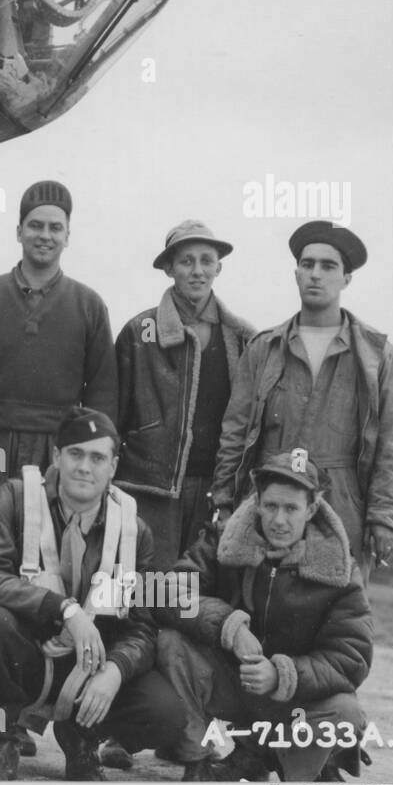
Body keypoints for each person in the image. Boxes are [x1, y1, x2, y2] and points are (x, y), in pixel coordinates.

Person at [0, 180, 118, 752]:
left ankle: (21, 712)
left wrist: (91, 462)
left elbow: (104, 395)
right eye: (34, 224)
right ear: (18, 231)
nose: (44, 235)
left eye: (55, 226)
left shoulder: (88, 305)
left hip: (55, 448)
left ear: (67, 234)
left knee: (48, 578)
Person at [0, 407, 183, 781]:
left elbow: (141, 626)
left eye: (97, 458)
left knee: (166, 713)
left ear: (113, 467)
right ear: (56, 456)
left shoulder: (133, 530)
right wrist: (63, 610)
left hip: (89, 669)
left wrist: (115, 670)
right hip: (29, 654)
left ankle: (82, 737)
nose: (85, 467)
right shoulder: (16, 499)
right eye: (75, 454)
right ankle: (0, 735)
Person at [154, 450, 374, 782]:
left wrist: (282, 674)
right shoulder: (225, 538)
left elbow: (351, 655)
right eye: (271, 506)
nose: (279, 520)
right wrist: (228, 624)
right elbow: (169, 591)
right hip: (236, 684)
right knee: (171, 643)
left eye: (291, 508)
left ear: (312, 509)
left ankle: (301, 766)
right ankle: (198, 758)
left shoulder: (339, 566)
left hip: (292, 700)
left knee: (346, 711)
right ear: (257, 501)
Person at [212, 221, 393, 583]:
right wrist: (223, 499)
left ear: (347, 278)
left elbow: (390, 444)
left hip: (343, 498)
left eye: (328, 266)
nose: (315, 274)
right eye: (307, 264)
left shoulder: (376, 355)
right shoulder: (265, 347)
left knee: (341, 611)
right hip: (271, 496)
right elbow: (235, 431)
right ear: (295, 273)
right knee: (262, 607)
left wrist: (384, 517)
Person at [115, 220, 255, 567]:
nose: (197, 271)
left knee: (194, 596)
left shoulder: (243, 338)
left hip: (214, 490)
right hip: (149, 490)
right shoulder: (139, 331)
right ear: (168, 268)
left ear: (218, 268)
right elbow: (113, 415)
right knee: (144, 590)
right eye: (186, 261)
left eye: (206, 261)